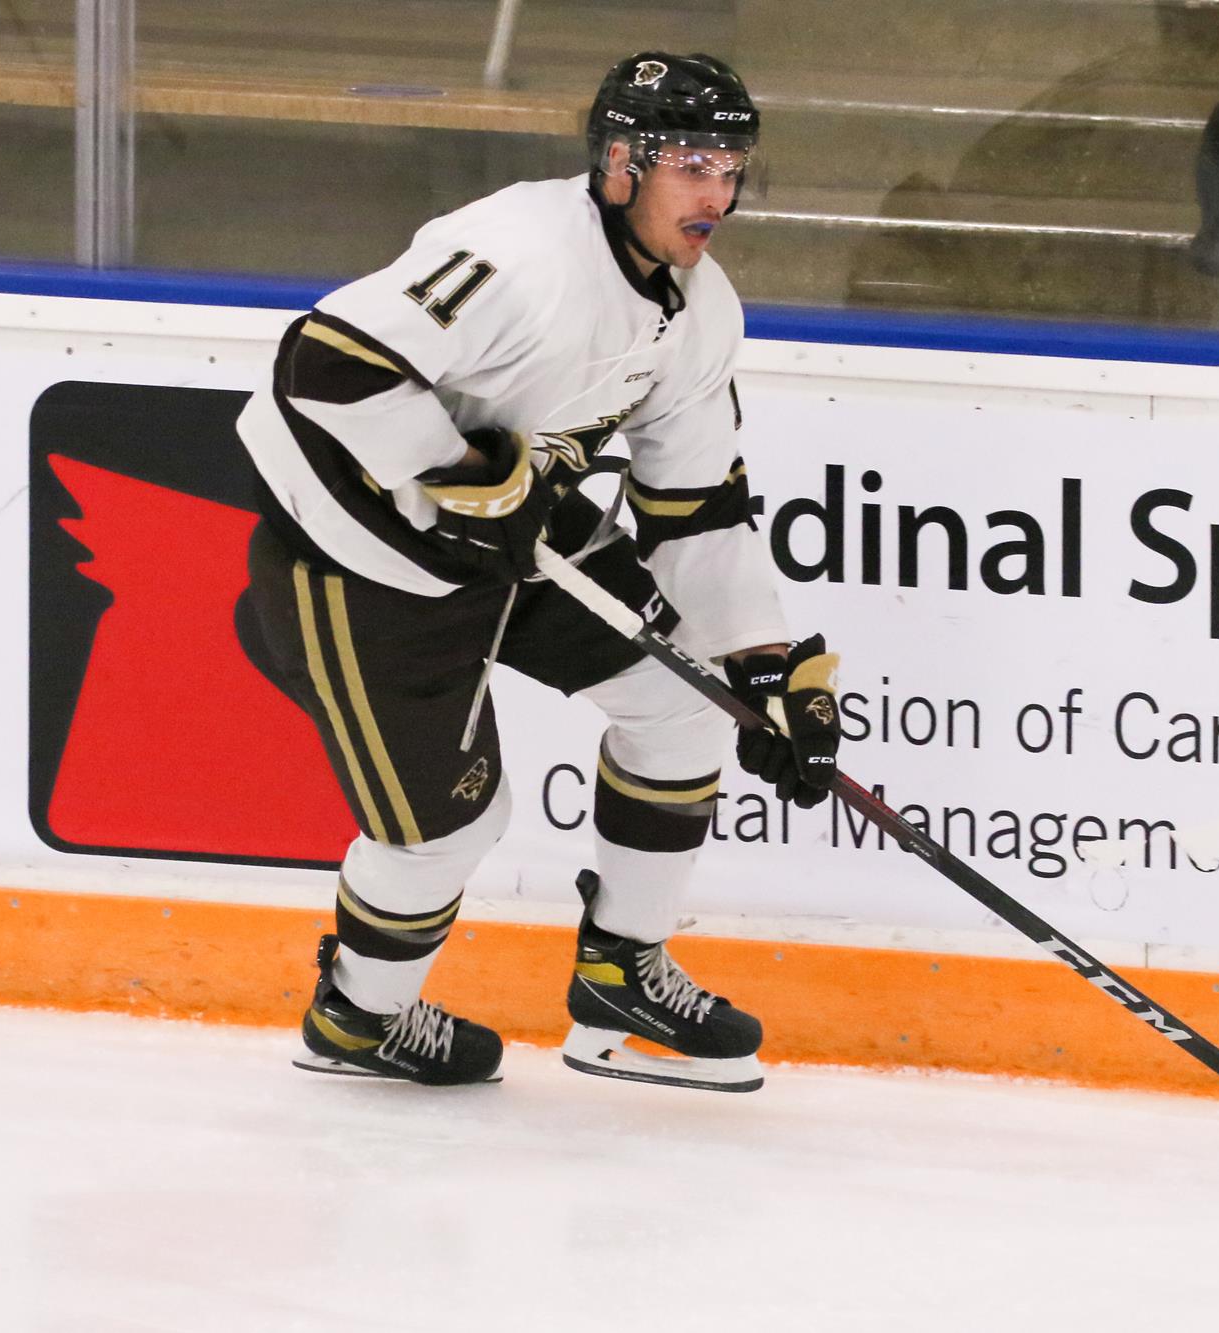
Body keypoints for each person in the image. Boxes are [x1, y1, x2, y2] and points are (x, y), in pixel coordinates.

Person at [232, 52, 842, 1094]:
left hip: (524, 542)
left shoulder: (701, 310)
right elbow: (325, 365)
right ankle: (358, 1016)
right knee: (454, 828)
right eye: (692, 164)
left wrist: (767, 666)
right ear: (619, 163)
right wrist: (466, 475)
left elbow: (694, 507)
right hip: (361, 561)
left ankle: (621, 973)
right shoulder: (516, 254)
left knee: (684, 704)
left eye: (731, 166)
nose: (717, 194)